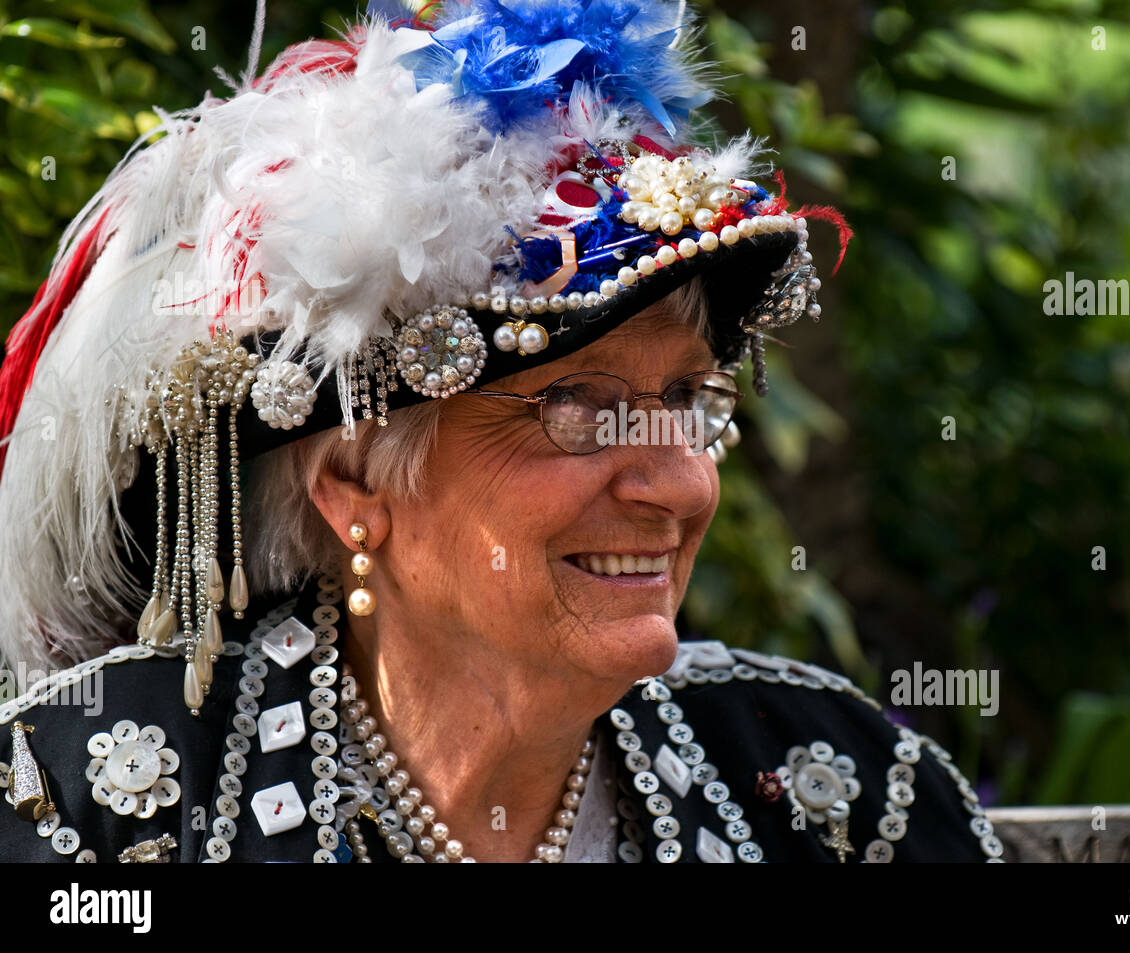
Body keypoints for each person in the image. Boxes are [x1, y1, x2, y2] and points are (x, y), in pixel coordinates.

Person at [0, 0, 999, 863]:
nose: (681, 485)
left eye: (689, 400)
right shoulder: (93, 805)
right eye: (578, 410)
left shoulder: (844, 797)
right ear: (352, 478)